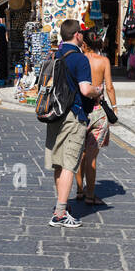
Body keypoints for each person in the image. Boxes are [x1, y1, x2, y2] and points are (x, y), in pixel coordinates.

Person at [45, 19, 104, 229]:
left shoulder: (55, 54)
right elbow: (86, 90)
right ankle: (60, 213)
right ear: (77, 35)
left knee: (59, 163)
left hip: (55, 114)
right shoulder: (80, 59)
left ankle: (60, 205)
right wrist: (99, 90)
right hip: (73, 115)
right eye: (82, 33)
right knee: (70, 163)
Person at [75, 28, 115, 206]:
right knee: (91, 156)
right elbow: (110, 87)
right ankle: (91, 195)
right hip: (98, 111)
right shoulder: (104, 61)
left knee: (79, 154)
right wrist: (114, 108)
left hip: (81, 110)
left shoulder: (79, 60)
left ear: (84, 43)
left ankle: (79, 190)